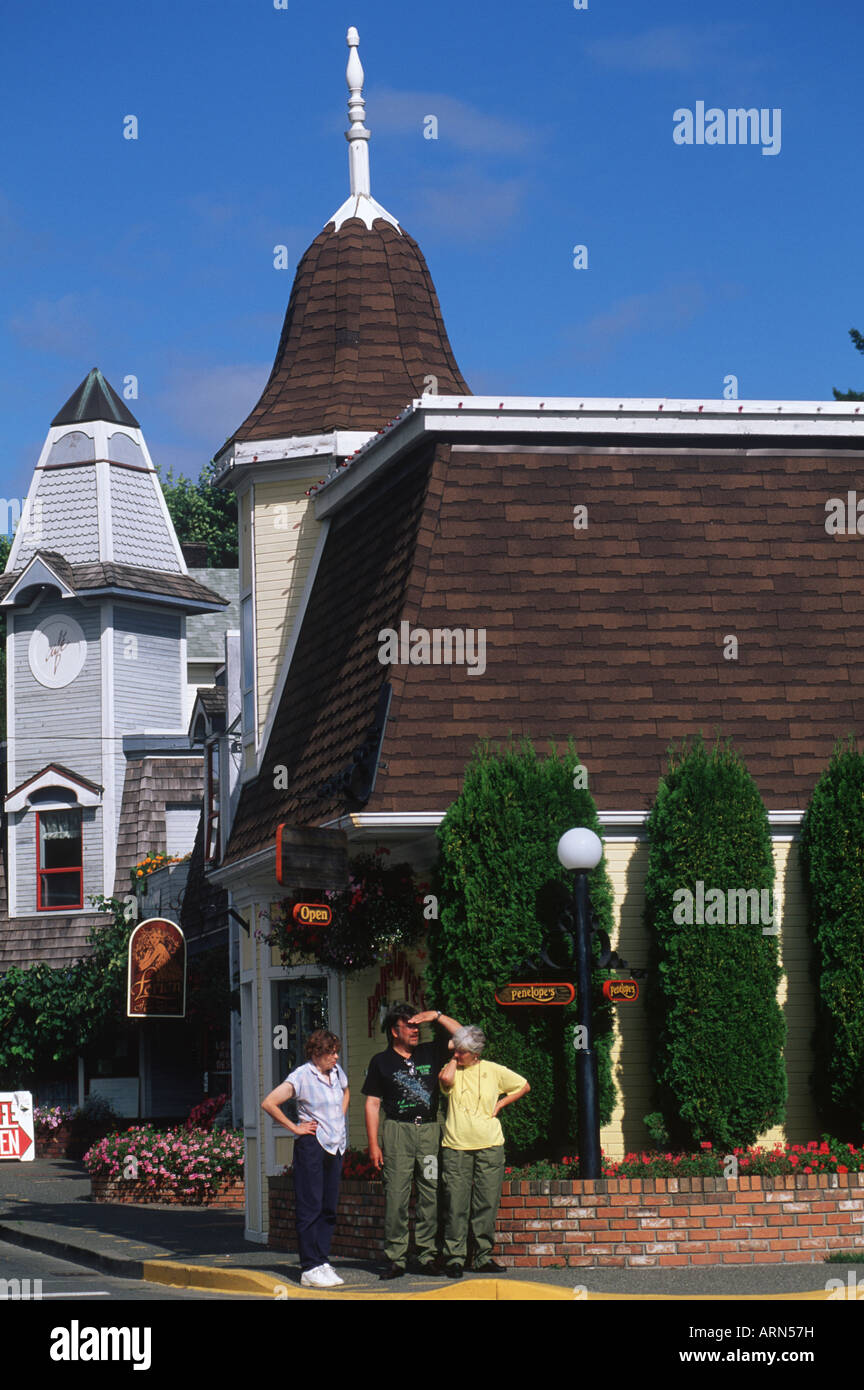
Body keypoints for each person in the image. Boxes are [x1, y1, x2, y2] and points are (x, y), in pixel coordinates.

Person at [362, 1002, 462, 1278]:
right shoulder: (380, 1062)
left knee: (430, 1191)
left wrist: (437, 1015)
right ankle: (396, 1258)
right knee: (397, 1194)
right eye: (409, 1025)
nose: (416, 1030)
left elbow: (466, 1037)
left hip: (429, 1134)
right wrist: (374, 1144)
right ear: (395, 1031)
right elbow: (372, 1104)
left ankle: (428, 1255)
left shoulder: (430, 1051)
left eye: (418, 1025)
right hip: (398, 1134)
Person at [438, 1025, 530, 1278]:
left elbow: (523, 1085)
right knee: (456, 1204)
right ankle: (455, 1257)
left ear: (475, 1053)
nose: (458, 1055)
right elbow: (445, 1081)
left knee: (486, 1204)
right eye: (456, 1051)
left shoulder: (493, 1070)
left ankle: (482, 1256)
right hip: (456, 1146)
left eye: (463, 1052)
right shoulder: (451, 1068)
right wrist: (453, 1055)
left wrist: (500, 1103)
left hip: (490, 1145)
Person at [261, 1028, 349, 1289]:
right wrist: (296, 1128)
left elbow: (346, 1091)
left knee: (328, 1205)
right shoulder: (302, 1075)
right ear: (316, 1053)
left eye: (336, 1052)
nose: (335, 1057)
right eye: (330, 1053)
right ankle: (309, 1266)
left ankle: (322, 1260)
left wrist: (339, 1118)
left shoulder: (336, 1073)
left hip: (335, 1145)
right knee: (310, 1205)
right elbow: (269, 1103)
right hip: (312, 1145)